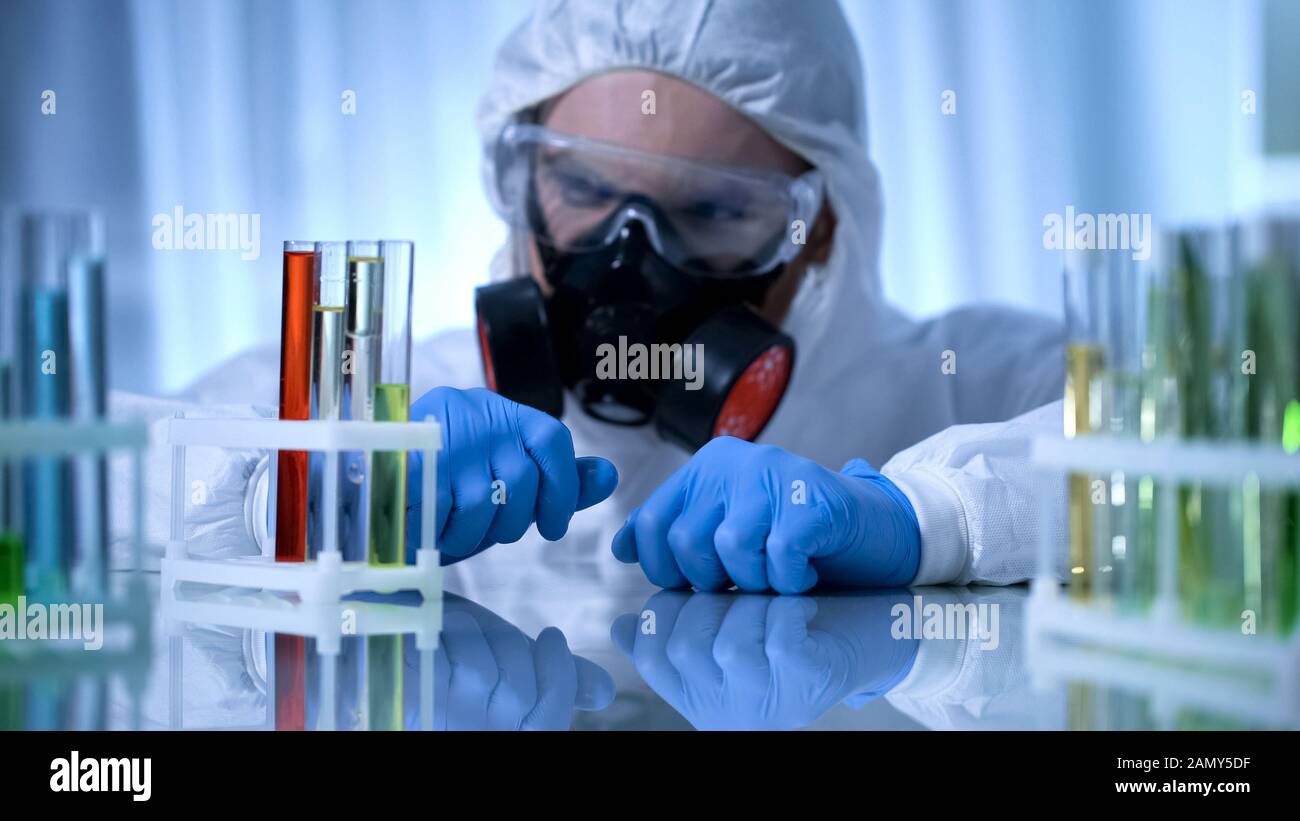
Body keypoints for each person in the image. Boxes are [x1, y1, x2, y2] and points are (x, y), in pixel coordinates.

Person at [115, 0, 1066, 601]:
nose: (630, 256)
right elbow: (56, 474)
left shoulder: (955, 388)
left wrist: (924, 517)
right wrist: (304, 488)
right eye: (584, 191)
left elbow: (1200, 442)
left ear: (818, 228)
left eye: (714, 208)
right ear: (514, 182)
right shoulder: (386, 396)